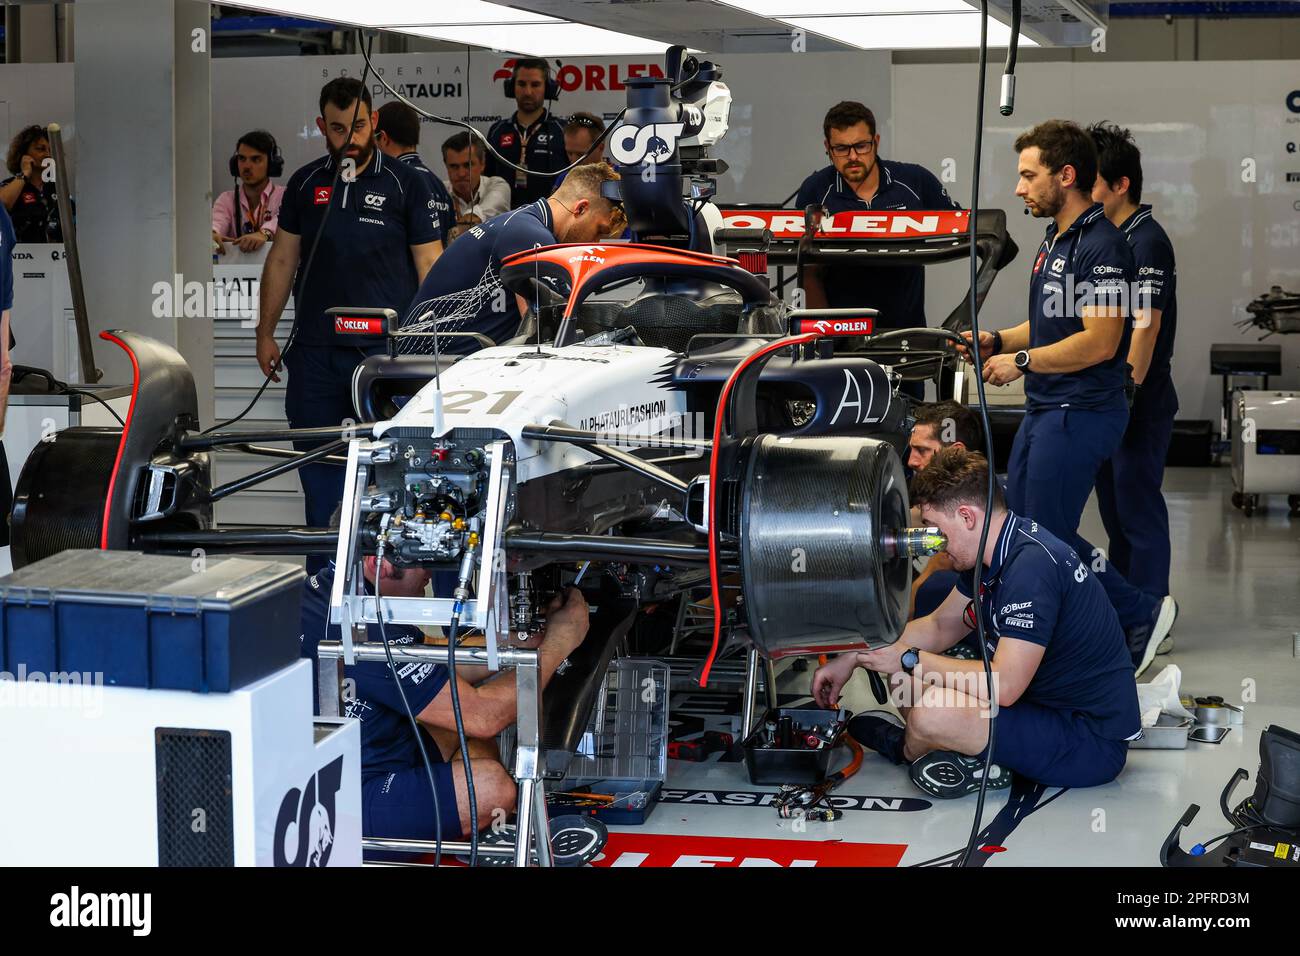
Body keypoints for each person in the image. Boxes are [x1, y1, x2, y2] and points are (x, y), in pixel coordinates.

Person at [961, 119, 1174, 677]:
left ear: (1067, 175)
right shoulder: (1057, 238)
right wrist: (1000, 339)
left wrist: (1020, 362)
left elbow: (1102, 341)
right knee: (1023, 526)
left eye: (1029, 176)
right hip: (1047, 406)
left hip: (1081, 411)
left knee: (1046, 534)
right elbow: (1054, 321)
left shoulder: (1104, 245)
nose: (1019, 188)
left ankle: (1139, 613)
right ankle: (1053, 626)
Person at [813, 448, 1142, 798]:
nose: (934, 546)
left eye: (937, 530)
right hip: (1039, 708)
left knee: (929, 712)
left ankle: (906, 748)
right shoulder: (995, 551)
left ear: (967, 517)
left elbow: (1006, 685)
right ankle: (970, 753)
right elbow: (939, 627)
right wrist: (853, 655)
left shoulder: (1031, 568)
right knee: (902, 671)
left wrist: (909, 658)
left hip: (1089, 743)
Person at [257, 78, 442, 569]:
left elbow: (431, 267)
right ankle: (323, 601)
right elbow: (281, 261)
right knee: (320, 482)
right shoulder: (304, 183)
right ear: (322, 127)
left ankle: (389, 603)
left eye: (358, 126)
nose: (350, 138)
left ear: (374, 122)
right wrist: (264, 332)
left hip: (389, 360)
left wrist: (439, 348)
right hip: (316, 356)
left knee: (397, 482)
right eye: (338, 129)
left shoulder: (409, 183)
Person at [299, 556, 590, 848]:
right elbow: (484, 716)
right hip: (348, 802)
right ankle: (475, 828)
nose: (432, 572)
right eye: (422, 560)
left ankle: (477, 826)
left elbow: (430, 657)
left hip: (368, 752)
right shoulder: (360, 629)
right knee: (491, 786)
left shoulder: (337, 592)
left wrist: (524, 641)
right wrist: (560, 643)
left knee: (455, 729)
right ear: (379, 562)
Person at [1088, 122, 1179, 650]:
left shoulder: (1147, 240)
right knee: (1115, 512)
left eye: (1094, 181)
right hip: (1110, 399)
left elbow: (1145, 326)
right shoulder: (1108, 239)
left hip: (1139, 401)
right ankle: (1129, 610)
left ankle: (1152, 616)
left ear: (1120, 184)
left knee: (1138, 508)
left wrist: (1124, 396)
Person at [793, 102, 959, 364]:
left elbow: (964, 233)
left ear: (876, 142)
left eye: (861, 146)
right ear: (828, 148)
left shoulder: (914, 181)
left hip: (907, 337)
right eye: (841, 148)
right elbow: (808, 267)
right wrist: (822, 337)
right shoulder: (815, 191)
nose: (853, 156)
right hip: (841, 342)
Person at [401, 163, 623, 355]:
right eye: (598, 231)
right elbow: (551, 331)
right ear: (581, 209)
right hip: (429, 375)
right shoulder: (529, 234)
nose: (596, 244)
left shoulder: (522, 223)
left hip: (443, 368)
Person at [484, 59, 568, 208]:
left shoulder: (561, 130)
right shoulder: (497, 130)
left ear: (547, 89)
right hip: (504, 221)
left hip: (549, 221)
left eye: (535, 85)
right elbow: (486, 181)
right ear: (511, 87)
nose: (528, 92)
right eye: (522, 84)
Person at [374, 101, 456, 246]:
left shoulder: (393, 181)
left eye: (374, 140)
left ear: (384, 138)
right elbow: (450, 243)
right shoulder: (439, 185)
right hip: (439, 266)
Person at [212, 130, 286, 257]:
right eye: (242, 158)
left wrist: (264, 234)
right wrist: (212, 234)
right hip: (236, 275)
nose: (246, 166)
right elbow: (217, 222)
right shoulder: (227, 199)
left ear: (272, 164)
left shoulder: (285, 195)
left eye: (256, 159)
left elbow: (284, 219)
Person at [441, 132, 511, 242]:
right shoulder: (439, 191)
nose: (461, 173)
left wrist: (468, 219)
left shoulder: (497, 185)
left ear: (482, 164)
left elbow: (480, 215)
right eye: (454, 166)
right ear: (446, 166)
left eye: (467, 165)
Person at [1, 125, 65, 243]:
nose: (47, 154)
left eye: (50, 150)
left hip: (56, 258)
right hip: (19, 257)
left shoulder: (59, 189)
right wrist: (25, 174)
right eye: (41, 149)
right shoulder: (11, 185)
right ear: (24, 154)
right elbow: (2, 203)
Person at [550, 113, 606, 192]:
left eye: (580, 155)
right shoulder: (564, 179)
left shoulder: (619, 178)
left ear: (600, 147)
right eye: (569, 153)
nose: (574, 161)